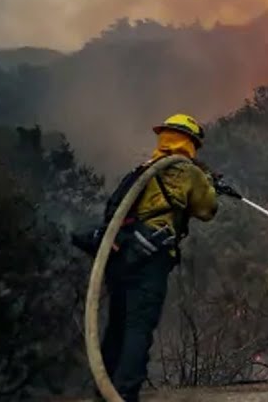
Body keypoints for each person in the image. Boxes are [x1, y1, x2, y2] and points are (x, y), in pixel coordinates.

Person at [98, 114, 219, 402]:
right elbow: (207, 209)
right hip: (150, 257)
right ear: (190, 142)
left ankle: (104, 392)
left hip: (120, 254)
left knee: (116, 326)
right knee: (139, 328)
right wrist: (210, 182)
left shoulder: (145, 168)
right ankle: (125, 395)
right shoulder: (186, 171)